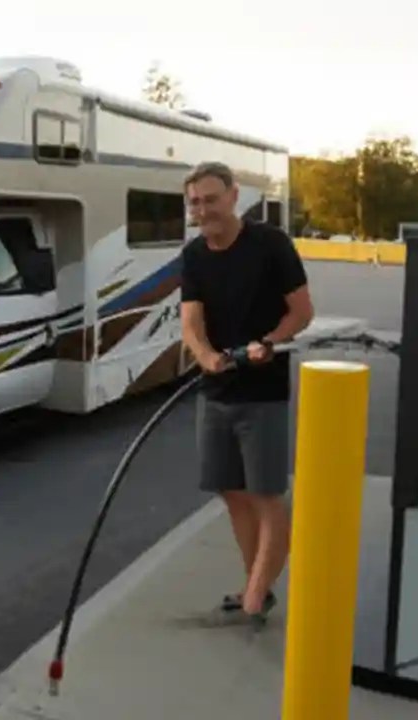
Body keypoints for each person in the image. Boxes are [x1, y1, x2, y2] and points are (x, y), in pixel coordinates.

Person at [179, 161, 314, 624]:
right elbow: (191, 323)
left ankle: (256, 594)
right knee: (231, 491)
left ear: (234, 196)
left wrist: (271, 343)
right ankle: (257, 582)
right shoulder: (195, 255)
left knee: (266, 495)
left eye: (211, 199)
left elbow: (302, 312)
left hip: (263, 393)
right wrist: (205, 356)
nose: (203, 209)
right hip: (214, 392)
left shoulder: (271, 245)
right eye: (195, 202)